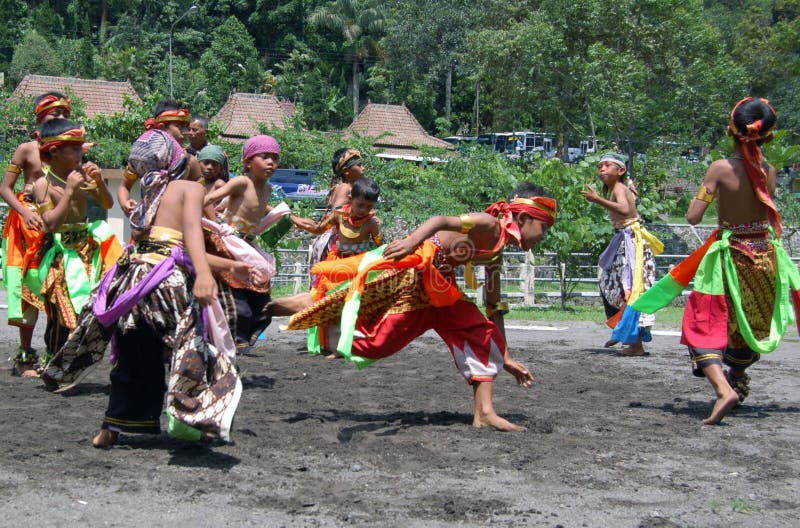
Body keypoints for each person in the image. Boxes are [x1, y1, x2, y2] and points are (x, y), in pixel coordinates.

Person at [286, 183, 556, 431]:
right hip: (419, 277)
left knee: (480, 334)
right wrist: (410, 242)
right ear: (523, 218)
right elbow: (440, 221)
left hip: (442, 290)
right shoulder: (488, 224)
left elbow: (494, 307)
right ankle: (327, 320)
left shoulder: (496, 255)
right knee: (377, 344)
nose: (543, 236)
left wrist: (505, 357)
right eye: (544, 228)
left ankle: (484, 413)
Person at [40, 129, 242, 447]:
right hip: (166, 282)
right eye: (186, 153)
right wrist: (204, 274)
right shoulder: (190, 187)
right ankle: (197, 420)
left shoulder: (150, 188)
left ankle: (111, 428)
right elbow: (191, 231)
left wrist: (226, 266)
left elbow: (156, 241)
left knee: (134, 353)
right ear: (176, 160)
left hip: (132, 280)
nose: (193, 158)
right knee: (192, 349)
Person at [628, 97, 800, 425]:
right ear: (767, 136)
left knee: (702, 322)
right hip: (766, 257)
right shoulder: (769, 172)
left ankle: (724, 389)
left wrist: (711, 192)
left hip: (732, 256)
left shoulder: (720, 168)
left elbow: (693, 216)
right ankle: (737, 377)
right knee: (747, 326)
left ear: (732, 131)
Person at [29, 119, 121, 365]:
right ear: (54, 151)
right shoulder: (42, 184)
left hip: (88, 251)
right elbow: (50, 224)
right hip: (59, 255)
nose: (81, 153)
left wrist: (99, 182)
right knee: (60, 313)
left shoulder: (81, 175)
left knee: (89, 308)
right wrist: (69, 191)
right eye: (75, 149)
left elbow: (107, 203)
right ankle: (53, 361)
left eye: (81, 148)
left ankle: (76, 360)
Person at [269, 177, 383, 353]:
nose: (363, 210)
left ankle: (351, 345)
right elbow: (319, 229)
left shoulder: (372, 223)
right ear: (350, 198)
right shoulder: (338, 215)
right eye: (360, 205)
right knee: (327, 303)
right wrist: (296, 220)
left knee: (353, 306)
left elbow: (380, 246)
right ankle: (332, 345)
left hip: (358, 268)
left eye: (369, 207)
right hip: (336, 267)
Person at [1, 92, 71, 376]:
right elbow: (5, 188)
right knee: (27, 291)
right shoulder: (26, 149)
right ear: (40, 118)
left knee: (60, 290)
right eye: (55, 113)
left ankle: (55, 355)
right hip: (27, 226)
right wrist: (24, 212)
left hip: (59, 225)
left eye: (65, 114)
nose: (61, 118)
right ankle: (25, 357)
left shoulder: (70, 149)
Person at [202, 134, 288, 351]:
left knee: (262, 303)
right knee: (237, 299)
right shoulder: (241, 182)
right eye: (265, 157)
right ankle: (234, 339)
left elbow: (260, 207)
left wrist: (292, 218)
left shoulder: (267, 189)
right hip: (228, 244)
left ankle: (245, 337)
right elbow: (210, 199)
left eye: (275, 158)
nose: (271, 162)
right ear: (248, 162)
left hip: (248, 246)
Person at [581, 152, 663, 356]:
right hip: (625, 240)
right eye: (600, 166)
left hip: (632, 243)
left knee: (630, 289)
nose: (602, 169)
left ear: (620, 170)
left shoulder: (618, 188)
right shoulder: (620, 188)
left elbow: (625, 209)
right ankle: (621, 328)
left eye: (607, 165)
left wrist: (597, 199)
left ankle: (634, 343)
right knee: (610, 285)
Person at [118, 100, 199, 217]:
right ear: (161, 127)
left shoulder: (189, 161)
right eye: (179, 126)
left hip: (179, 221)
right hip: (147, 221)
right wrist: (125, 203)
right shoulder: (143, 157)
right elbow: (124, 186)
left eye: (186, 126)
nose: (185, 131)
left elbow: (202, 196)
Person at [308, 148, 366, 268]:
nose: (363, 168)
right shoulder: (345, 187)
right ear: (346, 171)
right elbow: (337, 212)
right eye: (359, 165)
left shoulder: (346, 187)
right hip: (337, 241)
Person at [196, 144, 229, 219]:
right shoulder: (197, 182)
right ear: (198, 163)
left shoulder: (219, 184)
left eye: (214, 164)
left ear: (221, 169)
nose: (209, 167)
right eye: (206, 163)